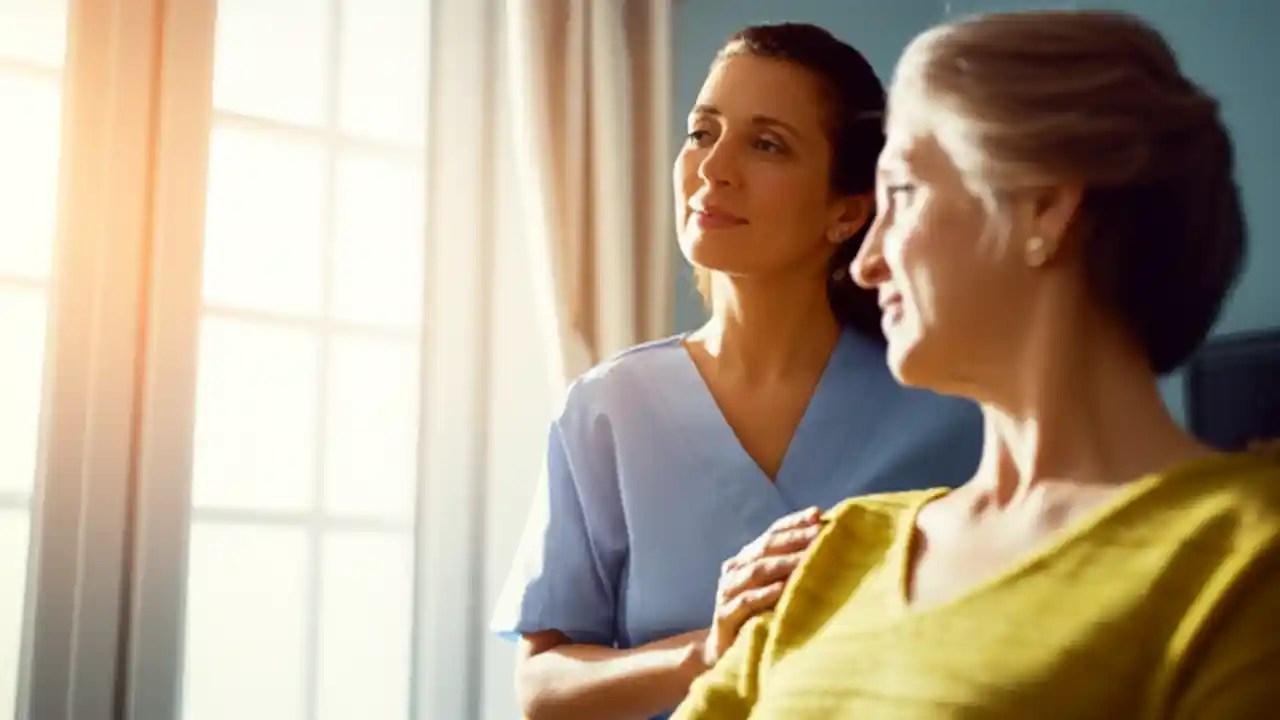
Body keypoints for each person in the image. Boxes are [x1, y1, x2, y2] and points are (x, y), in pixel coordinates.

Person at [673, 10, 1280, 719]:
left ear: (1044, 209)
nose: (867, 264)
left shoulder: (1242, 562)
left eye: (901, 193)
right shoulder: (836, 548)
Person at [491, 23, 982, 720]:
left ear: (846, 212)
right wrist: (711, 652)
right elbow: (541, 691)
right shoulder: (609, 411)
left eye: (766, 144)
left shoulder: (953, 415)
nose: (713, 168)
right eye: (702, 131)